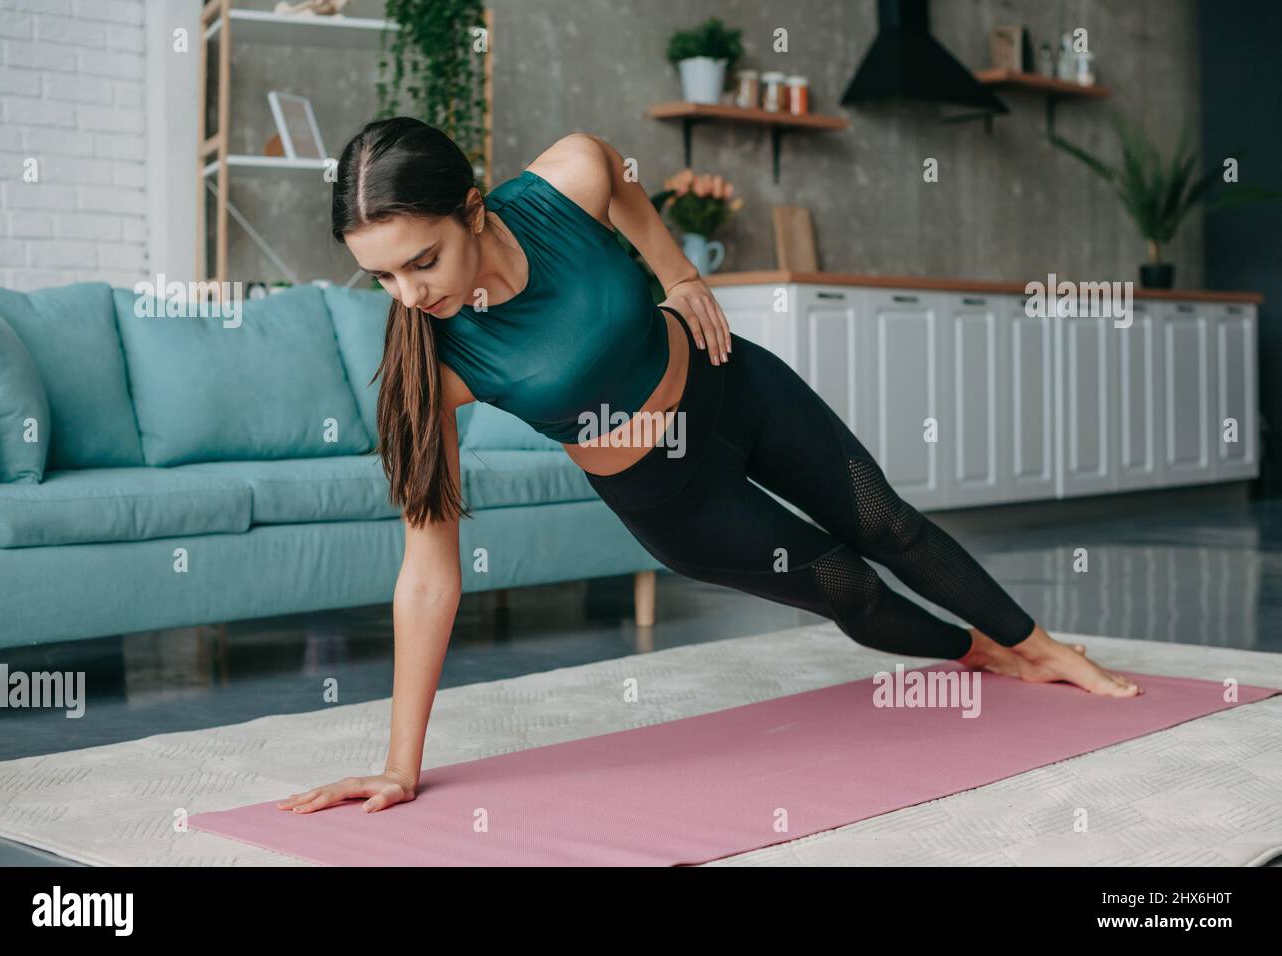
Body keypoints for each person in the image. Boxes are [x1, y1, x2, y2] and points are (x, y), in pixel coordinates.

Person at [278, 117, 1142, 817]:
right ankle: (981, 652)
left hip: (733, 383)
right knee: (851, 585)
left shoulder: (568, 178)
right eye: (381, 279)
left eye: (421, 262)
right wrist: (400, 765)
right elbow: (428, 578)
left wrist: (681, 274)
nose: (411, 296)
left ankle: (1045, 650)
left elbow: (621, 182)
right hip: (670, 494)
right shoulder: (430, 369)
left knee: (885, 521)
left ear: (472, 209)